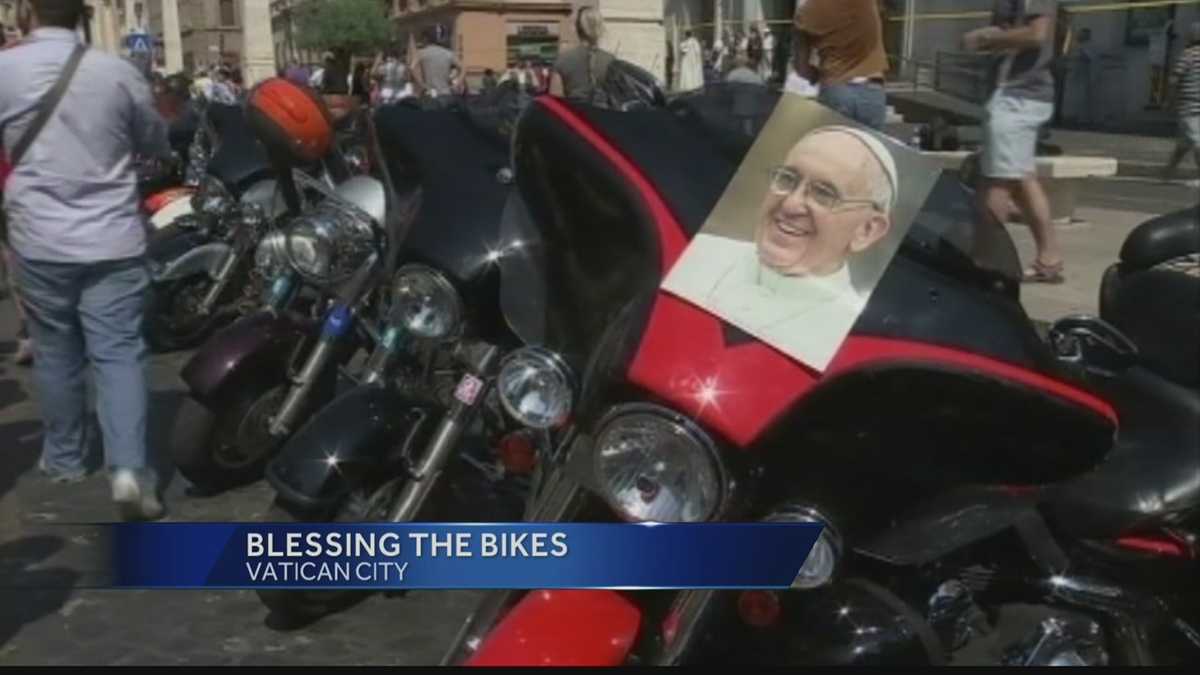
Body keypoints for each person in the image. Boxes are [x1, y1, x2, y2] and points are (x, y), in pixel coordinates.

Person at [0, 0, 171, 518]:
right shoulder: (115, 72)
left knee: (55, 350)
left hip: (39, 239)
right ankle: (129, 469)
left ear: (27, 13)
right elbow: (154, 139)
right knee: (118, 352)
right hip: (112, 237)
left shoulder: (6, 69)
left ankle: (65, 457)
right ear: (83, 16)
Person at [662, 126, 898, 370]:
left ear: (866, 230)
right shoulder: (703, 250)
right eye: (787, 179)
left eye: (823, 194)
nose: (790, 205)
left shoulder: (856, 334)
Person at [963, 0, 1064, 283]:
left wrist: (985, 38)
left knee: (994, 183)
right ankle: (1049, 258)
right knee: (1022, 179)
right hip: (1015, 95)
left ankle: (986, 263)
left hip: (1017, 98)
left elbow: (1036, 34)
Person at [793, 0, 890, 130]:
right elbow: (883, 13)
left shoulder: (805, 13)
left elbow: (801, 68)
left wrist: (816, 75)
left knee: (835, 142)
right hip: (872, 87)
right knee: (869, 142)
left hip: (835, 89)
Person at [551, 7, 615, 103]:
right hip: (602, 111)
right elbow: (616, 99)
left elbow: (555, 101)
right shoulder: (611, 61)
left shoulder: (563, 60)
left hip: (573, 111)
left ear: (577, 29)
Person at [1162, 21, 1200, 182]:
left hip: (1189, 106)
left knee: (1185, 144)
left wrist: (1169, 100)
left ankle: (1167, 173)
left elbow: (1174, 79)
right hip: (1192, 107)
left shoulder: (1187, 55)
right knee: (1196, 141)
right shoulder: (1189, 55)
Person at [413, 28, 460, 99]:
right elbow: (463, 68)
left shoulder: (422, 52)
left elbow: (412, 67)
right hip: (445, 92)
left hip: (430, 92)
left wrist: (422, 84)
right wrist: (457, 83)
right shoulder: (448, 53)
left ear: (427, 39)